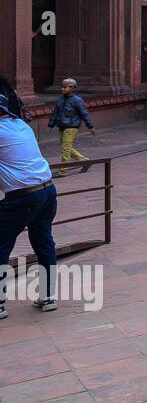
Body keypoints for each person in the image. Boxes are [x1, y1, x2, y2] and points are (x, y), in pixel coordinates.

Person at [0, 76, 59, 317]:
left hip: (24, 196)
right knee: (44, 240)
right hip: (47, 190)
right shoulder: (21, 125)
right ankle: (47, 296)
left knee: (1, 243)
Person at [47, 78, 95, 173]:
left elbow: (84, 114)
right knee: (66, 147)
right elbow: (55, 113)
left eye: (65, 87)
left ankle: (63, 170)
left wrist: (90, 126)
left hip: (72, 126)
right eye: (62, 87)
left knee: (65, 148)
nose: (63, 89)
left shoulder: (77, 100)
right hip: (62, 126)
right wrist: (50, 125)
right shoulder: (60, 100)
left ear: (72, 88)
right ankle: (85, 161)